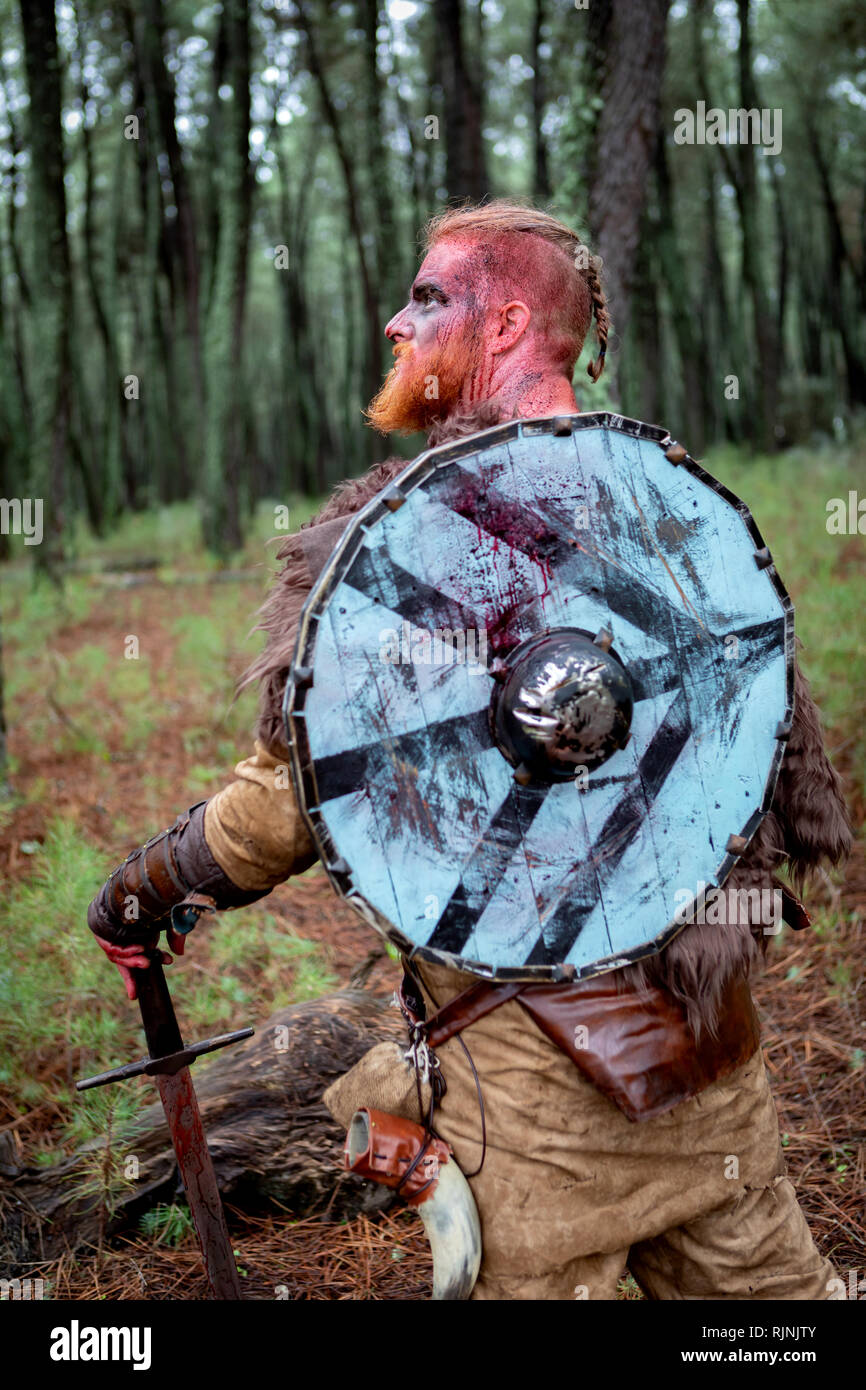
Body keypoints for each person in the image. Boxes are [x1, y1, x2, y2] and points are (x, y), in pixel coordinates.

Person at [89, 201, 852, 1300]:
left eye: (427, 298)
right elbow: (781, 767)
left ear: (502, 326)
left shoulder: (423, 538)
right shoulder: (670, 511)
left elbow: (291, 801)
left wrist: (146, 886)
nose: (397, 324)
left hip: (540, 1093)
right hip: (704, 1054)